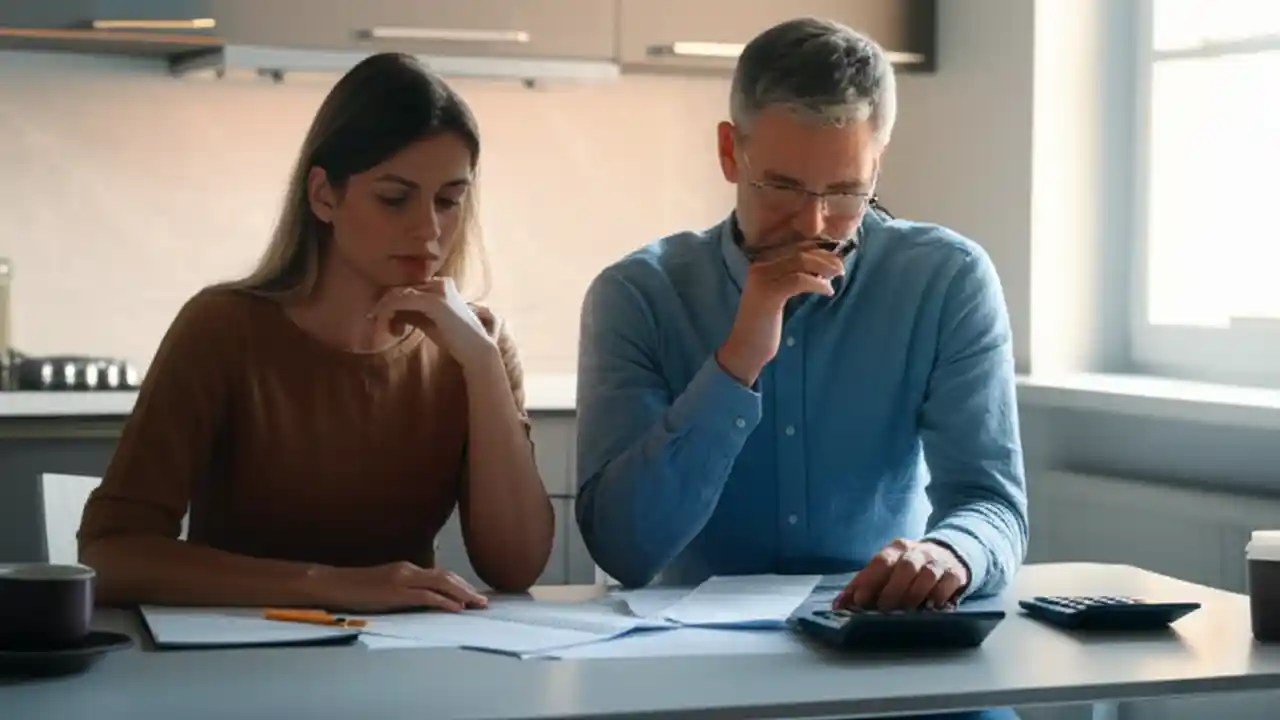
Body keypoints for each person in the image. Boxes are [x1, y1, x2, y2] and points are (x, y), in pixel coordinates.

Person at [577, 11, 1027, 662]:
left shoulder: (946, 280)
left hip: (885, 656)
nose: (814, 224)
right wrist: (739, 362)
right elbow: (625, 551)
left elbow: (992, 504)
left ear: (878, 165)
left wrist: (948, 552)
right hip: (690, 665)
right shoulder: (637, 296)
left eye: (847, 192)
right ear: (731, 152)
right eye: (782, 187)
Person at [78, 53, 554, 613]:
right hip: (235, 664)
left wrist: (482, 363)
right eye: (394, 197)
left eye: (450, 200)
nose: (429, 229)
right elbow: (110, 556)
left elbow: (516, 566)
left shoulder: (477, 349)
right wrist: (324, 585)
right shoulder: (222, 329)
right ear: (324, 195)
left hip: (406, 669)